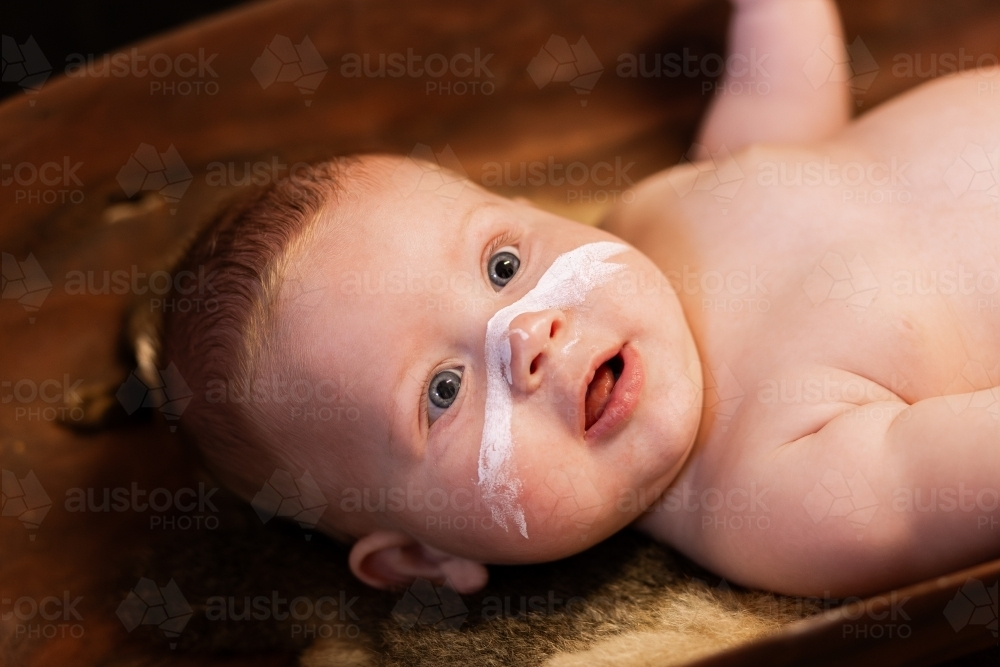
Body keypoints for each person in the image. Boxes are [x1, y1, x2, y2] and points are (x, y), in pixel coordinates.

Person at [149, 0, 999, 597]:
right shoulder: (764, 498)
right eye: (441, 392)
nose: (525, 333)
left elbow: (784, 133)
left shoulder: (648, 219)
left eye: (502, 263)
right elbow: (943, 476)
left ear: (533, 211)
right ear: (421, 555)